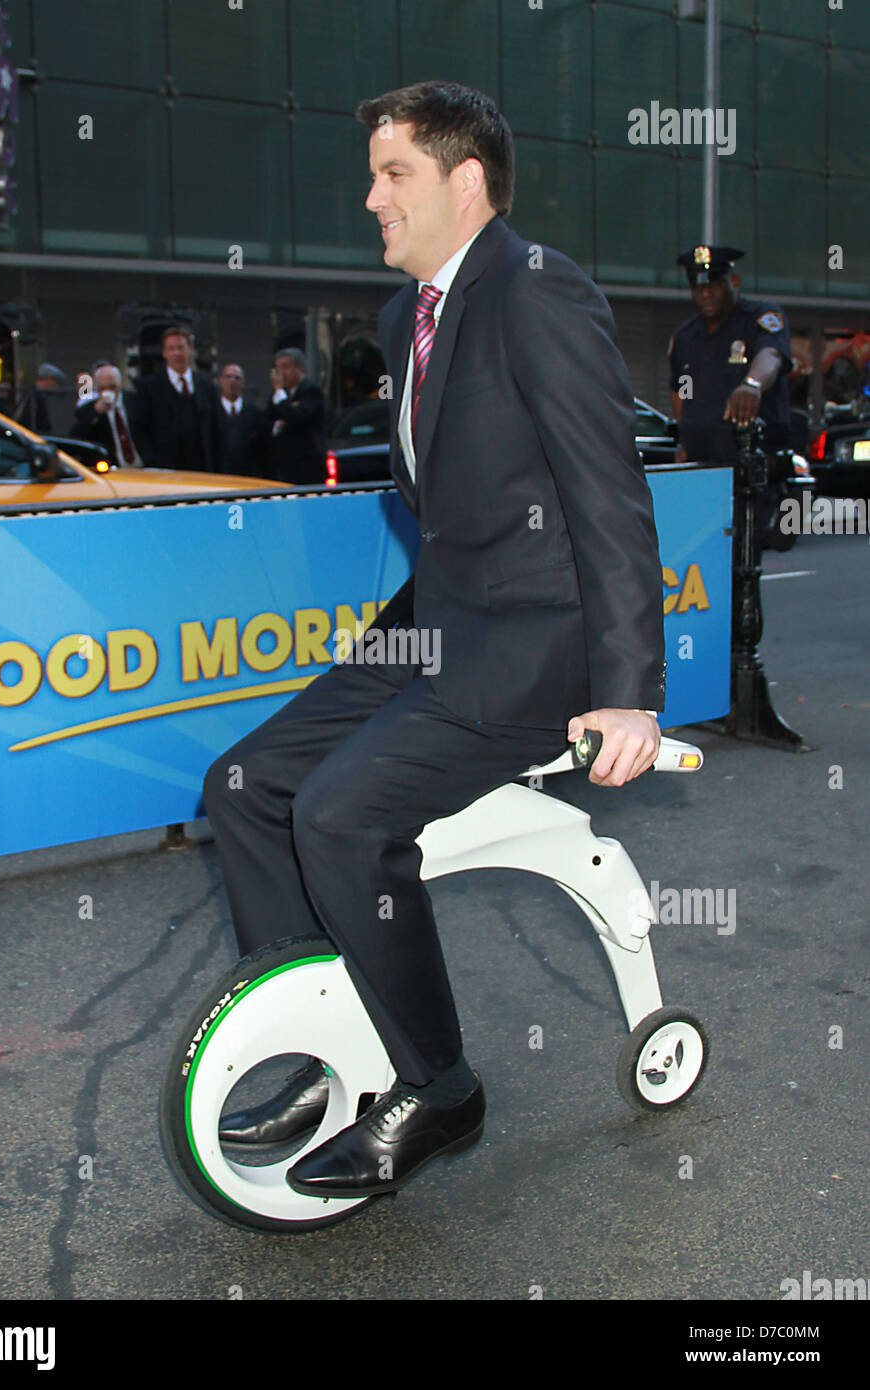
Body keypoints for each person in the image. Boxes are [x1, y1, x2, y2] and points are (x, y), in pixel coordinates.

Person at [203, 81, 666, 1203]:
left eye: (392, 172)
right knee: (245, 784)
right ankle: (333, 1049)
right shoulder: (413, 316)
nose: (371, 197)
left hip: (535, 646)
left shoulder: (537, 292)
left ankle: (440, 1087)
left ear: (466, 184)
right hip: (438, 629)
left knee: (342, 810)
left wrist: (630, 693)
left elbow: (609, 497)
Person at [668, 246, 793, 541]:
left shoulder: (758, 318)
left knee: (741, 565)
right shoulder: (685, 337)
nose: (705, 295)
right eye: (698, 288)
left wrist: (751, 385)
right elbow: (679, 390)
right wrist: (685, 438)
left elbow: (771, 356)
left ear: (732, 282)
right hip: (702, 472)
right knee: (702, 563)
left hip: (746, 473)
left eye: (713, 285)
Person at [130, 326, 222, 471]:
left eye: (180, 347)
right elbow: (138, 428)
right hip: (164, 469)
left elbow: (217, 428)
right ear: (164, 353)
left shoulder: (207, 387)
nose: (176, 353)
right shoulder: (148, 387)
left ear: (190, 349)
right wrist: (151, 460)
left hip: (203, 469)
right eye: (171, 349)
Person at [264, 347, 326, 484]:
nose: (280, 374)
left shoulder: (311, 391)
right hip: (283, 467)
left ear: (300, 369)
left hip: (307, 467)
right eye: (277, 368)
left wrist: (280, 391)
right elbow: (268, 421)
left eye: (285, 367)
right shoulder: (276, 396)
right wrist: (279, 423)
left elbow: (297, 417)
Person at [69, 363, 142, 467]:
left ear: (120, 385)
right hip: (113, 467)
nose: (107, 391)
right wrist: (96, 412)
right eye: (102, 388)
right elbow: (77, 436)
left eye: (112, 387)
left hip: (142, 463)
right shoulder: (88, 410)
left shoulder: (136, 402)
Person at [215, 362, 267, 476]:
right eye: (228, 377)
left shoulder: (254, 413)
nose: (232, 381)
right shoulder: (211, 412)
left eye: (237, 378)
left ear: (243, 383)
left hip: (246, 476)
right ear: (220, 381)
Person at [15, 363, 74, 437]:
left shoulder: (35, 394)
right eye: (56, 382)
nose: (57, 386)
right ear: (48, 380)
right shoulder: (34, 397)